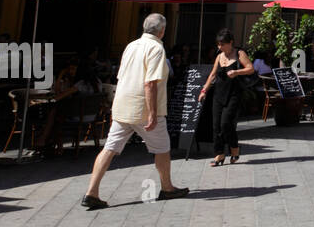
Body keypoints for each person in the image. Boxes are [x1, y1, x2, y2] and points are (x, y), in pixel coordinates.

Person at [81, 14, 188, 209]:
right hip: (143, 108)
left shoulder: (131, 45)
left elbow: (121, 76)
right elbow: (150, 83)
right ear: (162, 31)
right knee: (162, 148)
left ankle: (92, 191)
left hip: (123, 104)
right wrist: (153, 113)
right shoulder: (156, 48)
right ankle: (167, 188)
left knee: (110, 148)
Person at [198, 29, 254, 167]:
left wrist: (237, 72)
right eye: (218, 44)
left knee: (225, 124)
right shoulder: (219, 56)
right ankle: (219, 154)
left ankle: (234, 148)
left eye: (223, 44)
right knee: (216, 126)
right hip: (218, 94)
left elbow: (250, 68)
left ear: (231, 43)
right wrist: (204, 90)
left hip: (234, 94)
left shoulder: (239, 53)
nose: (220, 47)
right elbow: (212, 75)